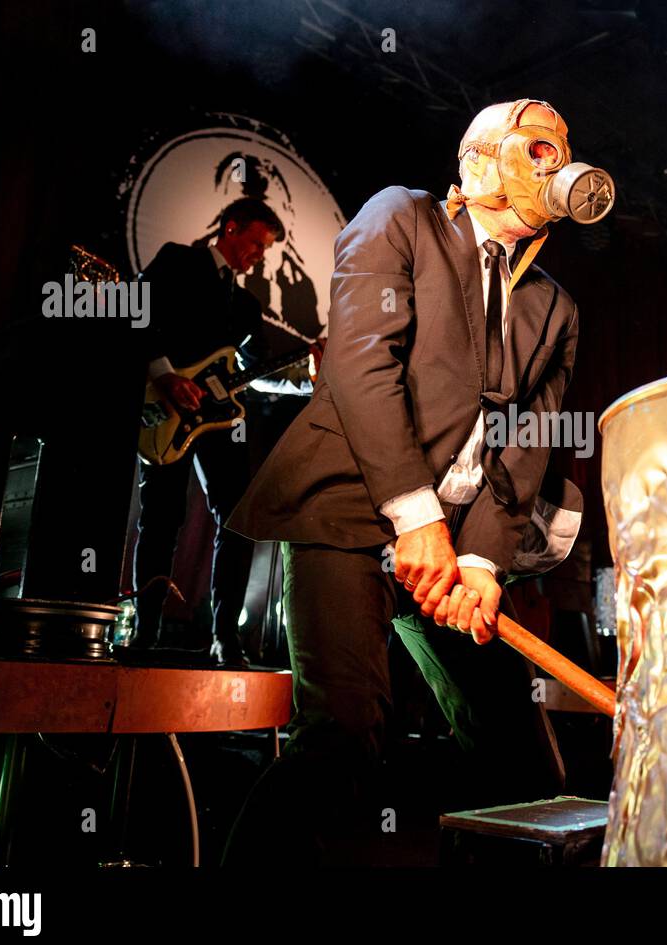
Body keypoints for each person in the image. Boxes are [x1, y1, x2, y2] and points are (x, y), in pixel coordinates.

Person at [222, 99, 613, 862]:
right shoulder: (401, 217)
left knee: (512, 745)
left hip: (456, 547)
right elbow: (363, 368)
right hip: (352, 513)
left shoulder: (554, 307)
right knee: (342, 735)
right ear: (476, 163)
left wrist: (480, 561)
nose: (556, 168)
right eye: (536, 150)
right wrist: (416, 519)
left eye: (561, 151)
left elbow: (528, 447)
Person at [128, 198, 284, 668]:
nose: (260, 254)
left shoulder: (247, 305)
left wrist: (307, 369)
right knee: (161, 518)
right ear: (231, 228)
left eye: (267, 248)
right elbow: (136, 312)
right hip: (165, 406)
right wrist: (163, 374)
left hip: (219, 420)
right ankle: (144, 631)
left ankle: (225, 639)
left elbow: (259, 372)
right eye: (257, 242)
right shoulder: (179, 260)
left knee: (237, 518)